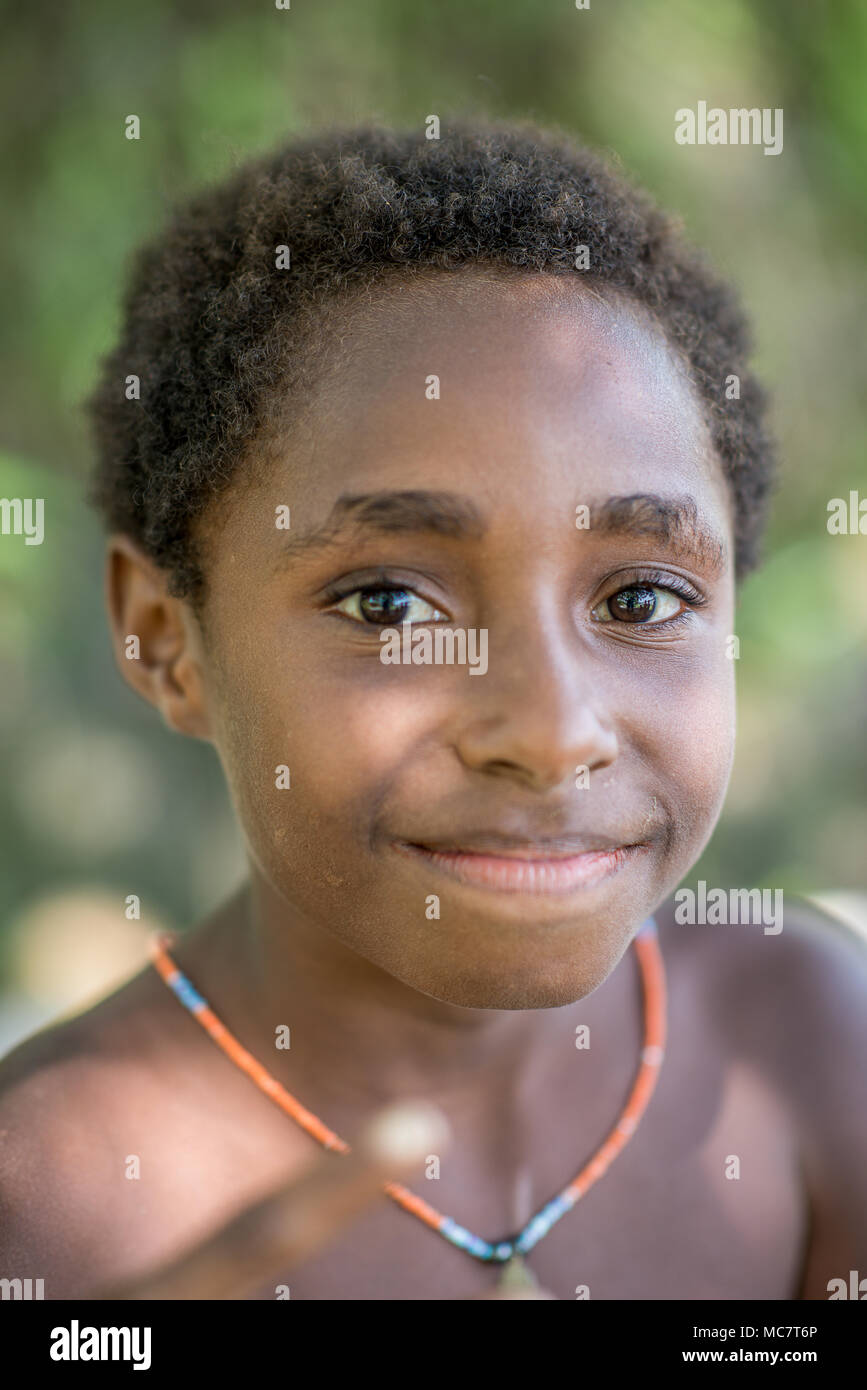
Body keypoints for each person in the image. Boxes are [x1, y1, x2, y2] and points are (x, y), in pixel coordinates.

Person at [1, 120, 864, 1301]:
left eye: (643, 595)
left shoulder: (807, 1040)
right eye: (389, 602)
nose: (554, 734)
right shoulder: (44, 1204)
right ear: (166, 642)